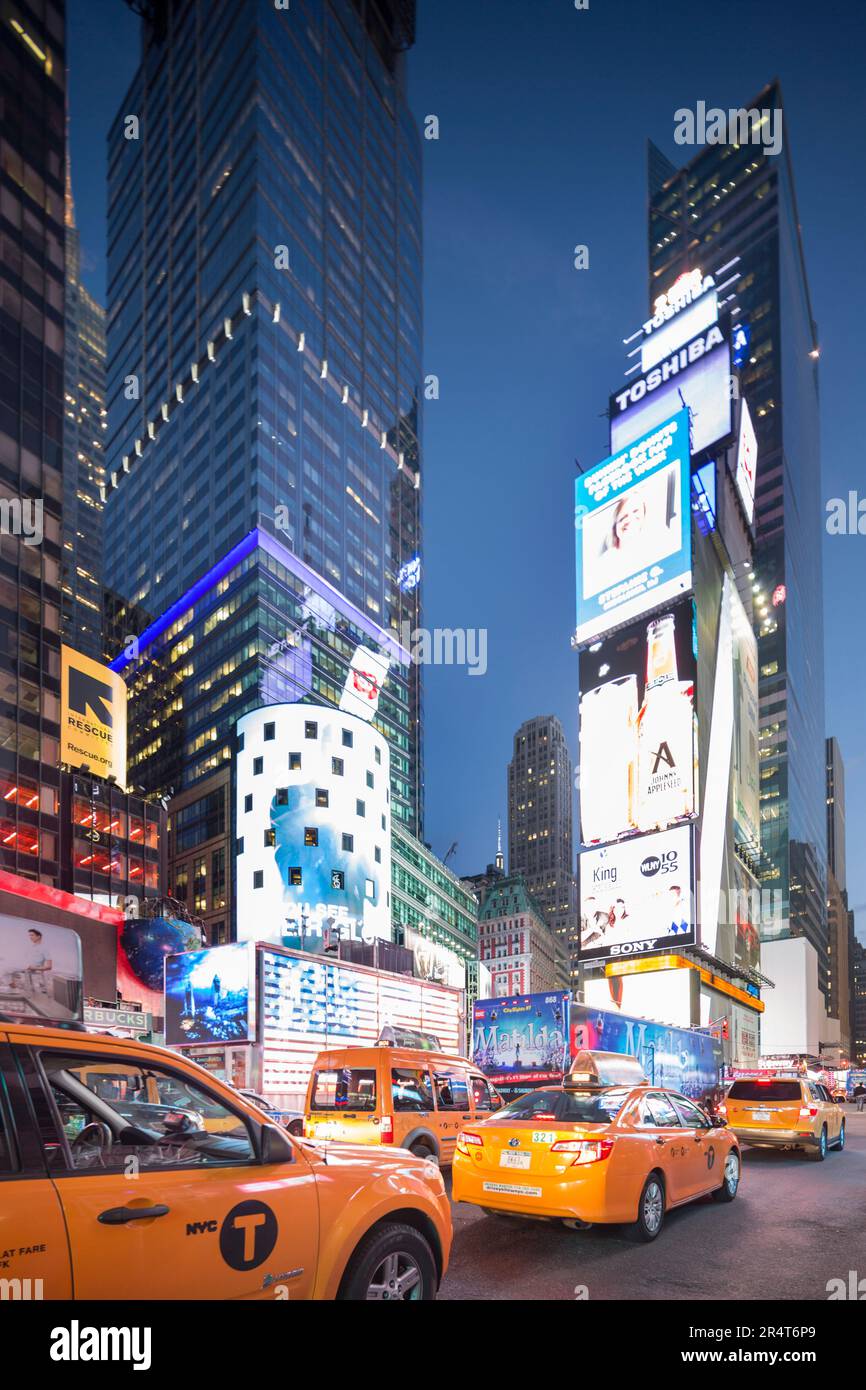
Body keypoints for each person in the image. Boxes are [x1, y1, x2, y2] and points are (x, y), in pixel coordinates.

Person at [22, 928, 53, 997]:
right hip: (27, 975)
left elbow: (49, 966)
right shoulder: (31, 948)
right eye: (29, 935)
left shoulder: (44, 948)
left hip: (37, 977)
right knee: (31, 998)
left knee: (40, 998)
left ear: (38, 936)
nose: (30, 937)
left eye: (32, 935)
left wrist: (34, 967)